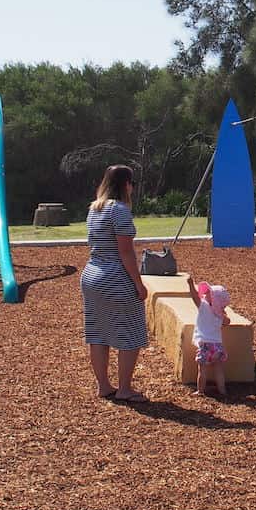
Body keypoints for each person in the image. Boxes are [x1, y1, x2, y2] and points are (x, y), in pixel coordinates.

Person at [80, 164, 149, 402]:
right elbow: (126, 253)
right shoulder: (119, 210)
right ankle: (125, 388)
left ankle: (103, 385)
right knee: (129, 333)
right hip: (115, 277)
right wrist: (139, 284)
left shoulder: (94, 208)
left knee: (98, 333)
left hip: (92, 275)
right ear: (125, 184)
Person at [186, 273, 230, 398]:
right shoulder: (220, 315)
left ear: (213, 299)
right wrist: (223, 314)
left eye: (209, 293)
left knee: (202, 370)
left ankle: (200, 391)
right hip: (217, 346)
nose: (205, 294)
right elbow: (227, 322)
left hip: (205, 345)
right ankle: (222, 390)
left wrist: (190, 285)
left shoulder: (203, 306)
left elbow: (195, 296)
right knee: (219, 370)